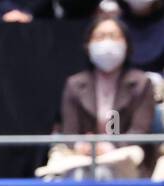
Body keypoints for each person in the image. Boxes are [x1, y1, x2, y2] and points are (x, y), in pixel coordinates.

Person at [57, 13, 157, 176]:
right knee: (79, 174)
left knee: (104, 172)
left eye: (113, 36)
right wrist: (81, 145)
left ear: (126, 45)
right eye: (100, 36)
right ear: (88, 45)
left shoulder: (141, 83)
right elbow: (70, 132)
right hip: (83, 158)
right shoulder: (74, 84)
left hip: (125, 157)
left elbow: (139, 131)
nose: (107, 42)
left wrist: (110, 146)